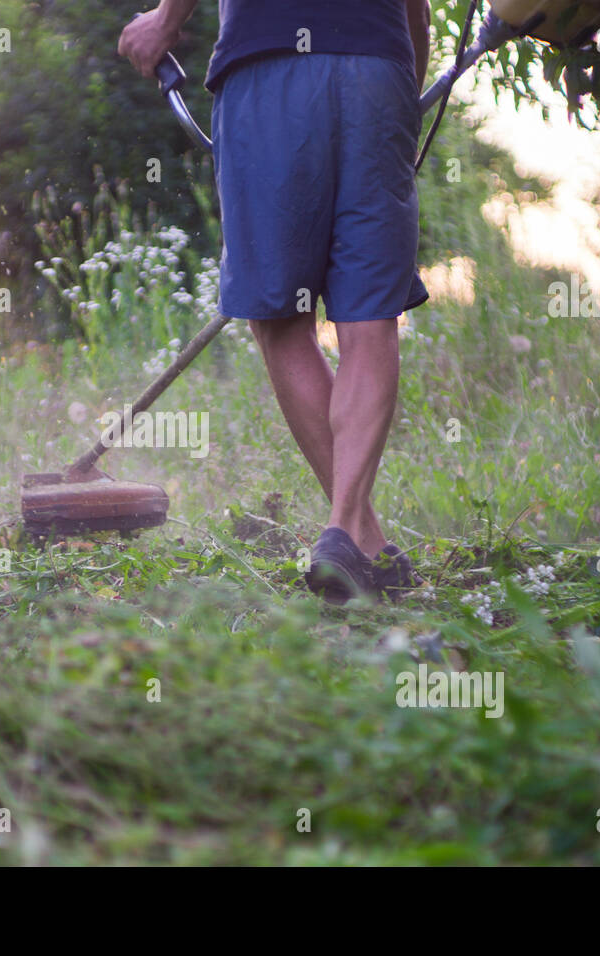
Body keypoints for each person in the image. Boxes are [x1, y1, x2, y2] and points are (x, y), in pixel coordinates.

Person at [119, 0, 431, 604]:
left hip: (268, 67)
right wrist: (399, 89)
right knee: (368, 316)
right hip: (379, 64)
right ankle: (357, 538)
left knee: (282, 319)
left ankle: (350, 534)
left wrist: (164, 19)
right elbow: (417, 10)